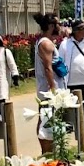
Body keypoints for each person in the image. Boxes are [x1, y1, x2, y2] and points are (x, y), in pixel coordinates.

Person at [33, 12, 67, 156]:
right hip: (48, 92)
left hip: (52, 90)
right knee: (46, 120)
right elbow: (48, 67)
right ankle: (46, 152)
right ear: (51, 26)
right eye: (58, 24)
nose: (60, 27)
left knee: (52, 120)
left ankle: (51, 151)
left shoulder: (47, 42)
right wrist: (53, 89)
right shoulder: (46, 44)